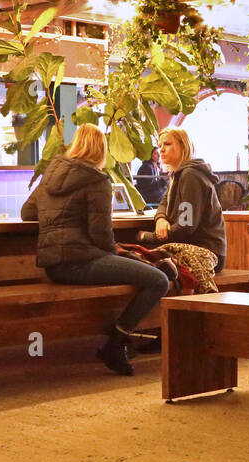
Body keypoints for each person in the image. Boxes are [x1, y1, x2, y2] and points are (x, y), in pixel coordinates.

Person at [21, 124, 169, 375]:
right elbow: (101, 236)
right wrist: (121, 254)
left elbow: (27, 213)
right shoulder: (97, 179)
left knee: (145, 272)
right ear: (101, 149)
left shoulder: (51, 173)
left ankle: (118, 341)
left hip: (54, 267)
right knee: (158, 279)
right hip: (81, 261)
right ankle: (116, 342)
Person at [137, 128, 227, 272]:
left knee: (138, 254)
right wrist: (161, 219)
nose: (161, 150)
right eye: (160, 146)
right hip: (191, 244)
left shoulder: (190, 175)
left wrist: (148, 236)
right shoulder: (178, 174)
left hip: (207, 253)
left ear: (183, 146)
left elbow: (186, 225)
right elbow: (164, 202)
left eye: (167, 144)